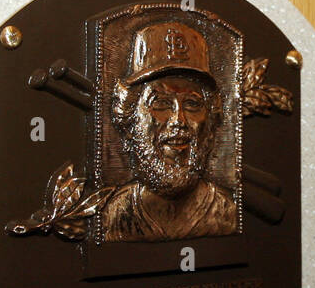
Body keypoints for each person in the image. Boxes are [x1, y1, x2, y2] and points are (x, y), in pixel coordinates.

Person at [99, 20, 237, 242]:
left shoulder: (229, 214)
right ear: (130, 121)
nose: (178, 121)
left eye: (192, 104)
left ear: (211, 126)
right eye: (161, 103)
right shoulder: (110, 217)